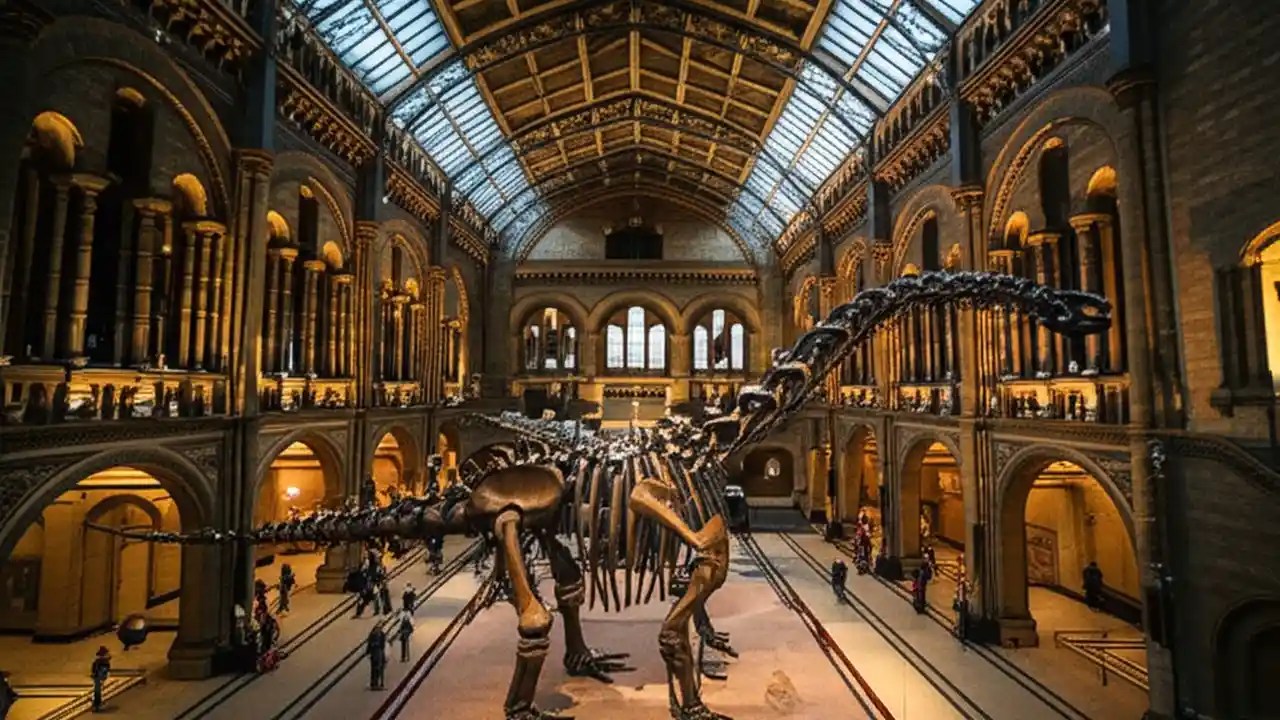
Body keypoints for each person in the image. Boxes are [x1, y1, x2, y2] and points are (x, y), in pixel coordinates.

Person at [366, 625, 390, 690]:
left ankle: (376, 683)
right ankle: (374, 683)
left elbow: (383, 646)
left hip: (379, 654)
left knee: (377, 669)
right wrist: (368, 652)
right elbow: (369, 645)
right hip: (375, 654)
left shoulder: (381, 635)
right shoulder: (373, 635)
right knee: (375, 669)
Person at [90, 646, 111, 713]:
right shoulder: (102, 662)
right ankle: (97, 704)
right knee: (97, 691)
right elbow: (101, 670)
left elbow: (94, 669)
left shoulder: (100, 662)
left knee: (97, 691)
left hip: (98, 677)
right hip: (98, 677)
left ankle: (96, 704)